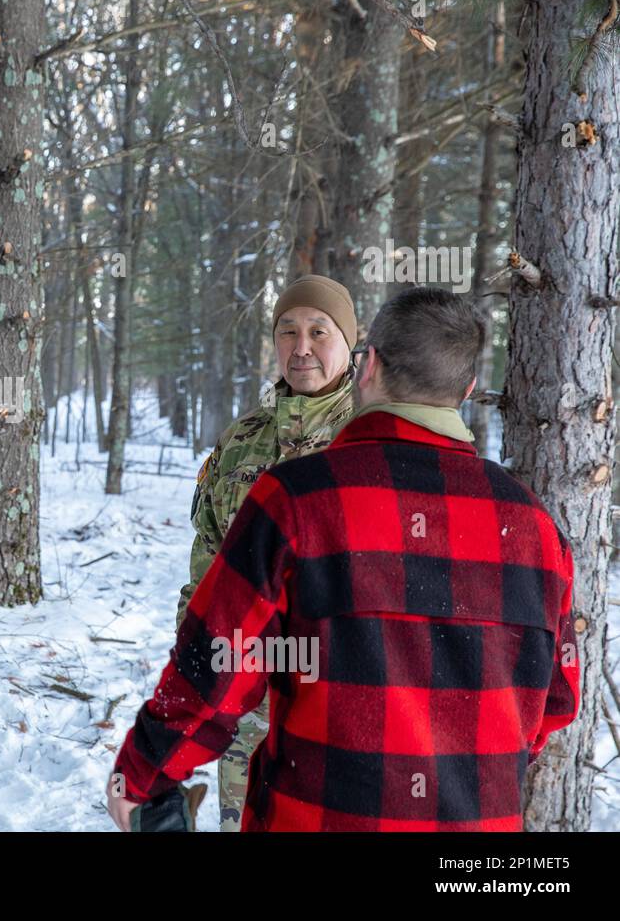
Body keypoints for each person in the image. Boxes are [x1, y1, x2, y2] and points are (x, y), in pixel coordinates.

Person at [109, 287, 579, 831]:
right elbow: (558, 697)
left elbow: (220, 660)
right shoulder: (534, 527)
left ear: (367, 364)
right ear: (467, 388)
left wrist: (143, 773)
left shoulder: (298, 499)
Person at [181, 274, 357, 830]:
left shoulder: (376, 433)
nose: (301, 347)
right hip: (246, 698)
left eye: (318, 331)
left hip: (343, 701)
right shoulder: (242, 441)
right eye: (288, 331)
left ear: (350, 343)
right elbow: (208, 564)